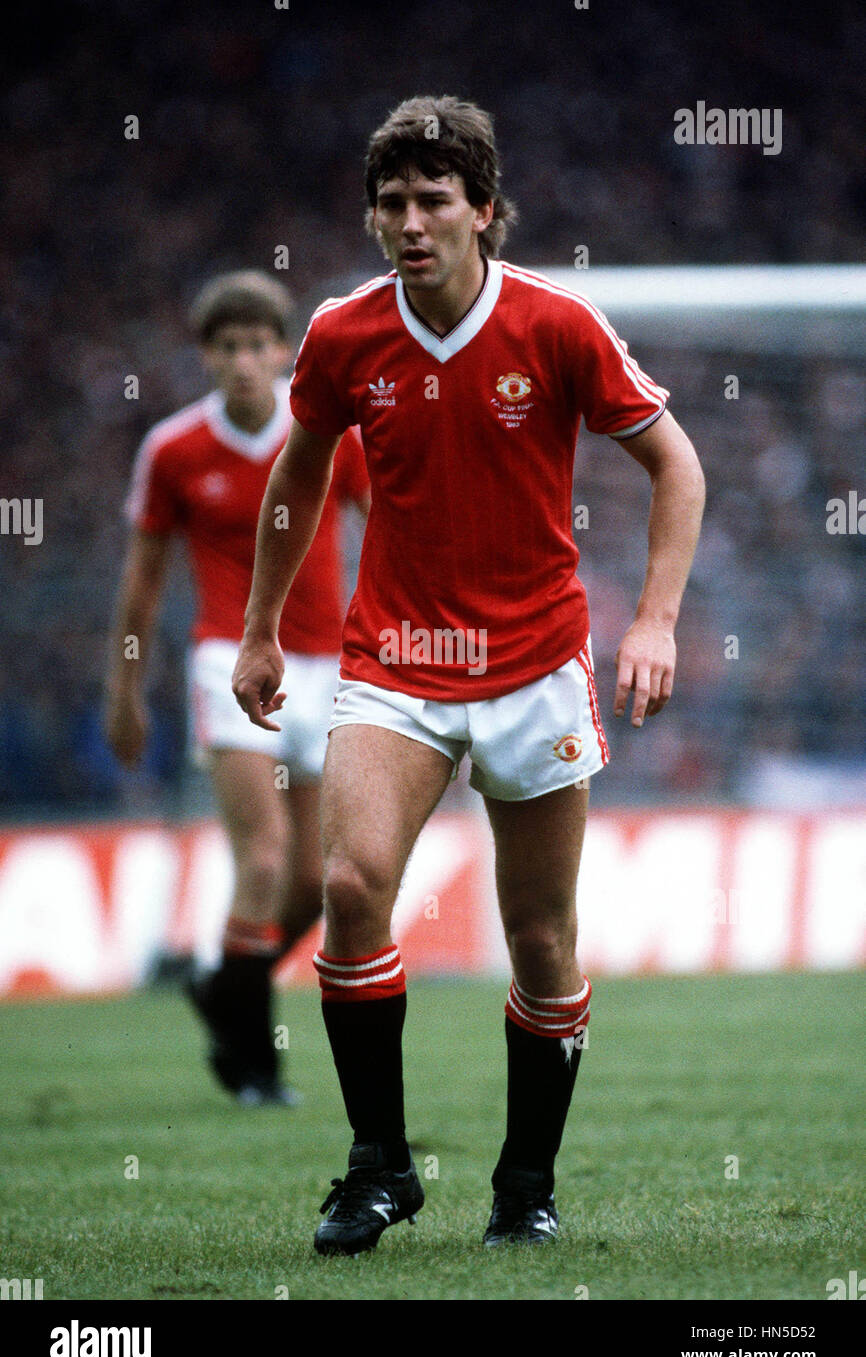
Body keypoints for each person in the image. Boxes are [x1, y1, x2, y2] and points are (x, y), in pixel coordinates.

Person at [232, 97, 705, 1248]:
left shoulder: (555, 325)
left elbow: (674, 463)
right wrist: (258, 629)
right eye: (390, 202)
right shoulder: (344, 336)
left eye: (433, 200)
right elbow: (297, 478)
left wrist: (653, 621)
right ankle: (378, 1166)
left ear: (483, 211)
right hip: (393, 660)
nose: (409, 221)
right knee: (350, 888)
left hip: (535, 666)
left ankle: (524, 1188)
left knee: (539, 940)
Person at [104, 270, 369, 1105]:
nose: (246, 361)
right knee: (261, 859)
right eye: (228, 347)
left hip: (329, 668)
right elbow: (141, 582)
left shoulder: (331, 436)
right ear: (206, 357)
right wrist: (126, 689)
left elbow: (390, 532)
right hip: (227, 662)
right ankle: (254, 1065)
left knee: (317, 883)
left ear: (285, 351)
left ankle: (225, 988)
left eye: (259, 344)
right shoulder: (175, 450)